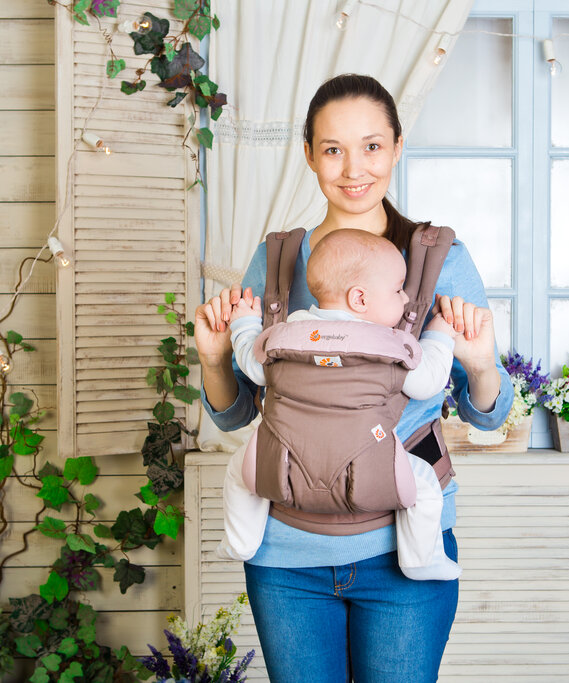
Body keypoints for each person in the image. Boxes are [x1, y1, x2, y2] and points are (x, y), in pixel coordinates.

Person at [194, 73, 514, 682]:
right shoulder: (278, 260)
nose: (353, 169)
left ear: (396, 147)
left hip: (404, 554)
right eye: (333, 149)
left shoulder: (439, 260)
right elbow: (239, 412)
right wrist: (213, 359)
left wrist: (478, 365)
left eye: (371, 146)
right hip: (286, 557)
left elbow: (489, 413)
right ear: (309, 154)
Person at [217, 228, 463, 582]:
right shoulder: (388, 345)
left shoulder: (284, 336)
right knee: (424, 485)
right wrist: (439, 334)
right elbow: (428, 382)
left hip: (281, 460)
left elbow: (253, 367)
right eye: (397, 290)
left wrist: (243, 322)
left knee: (238, 472)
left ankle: (240, 542)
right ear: (360, 298)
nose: (405, 299)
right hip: (369, 462)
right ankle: (421, 560)